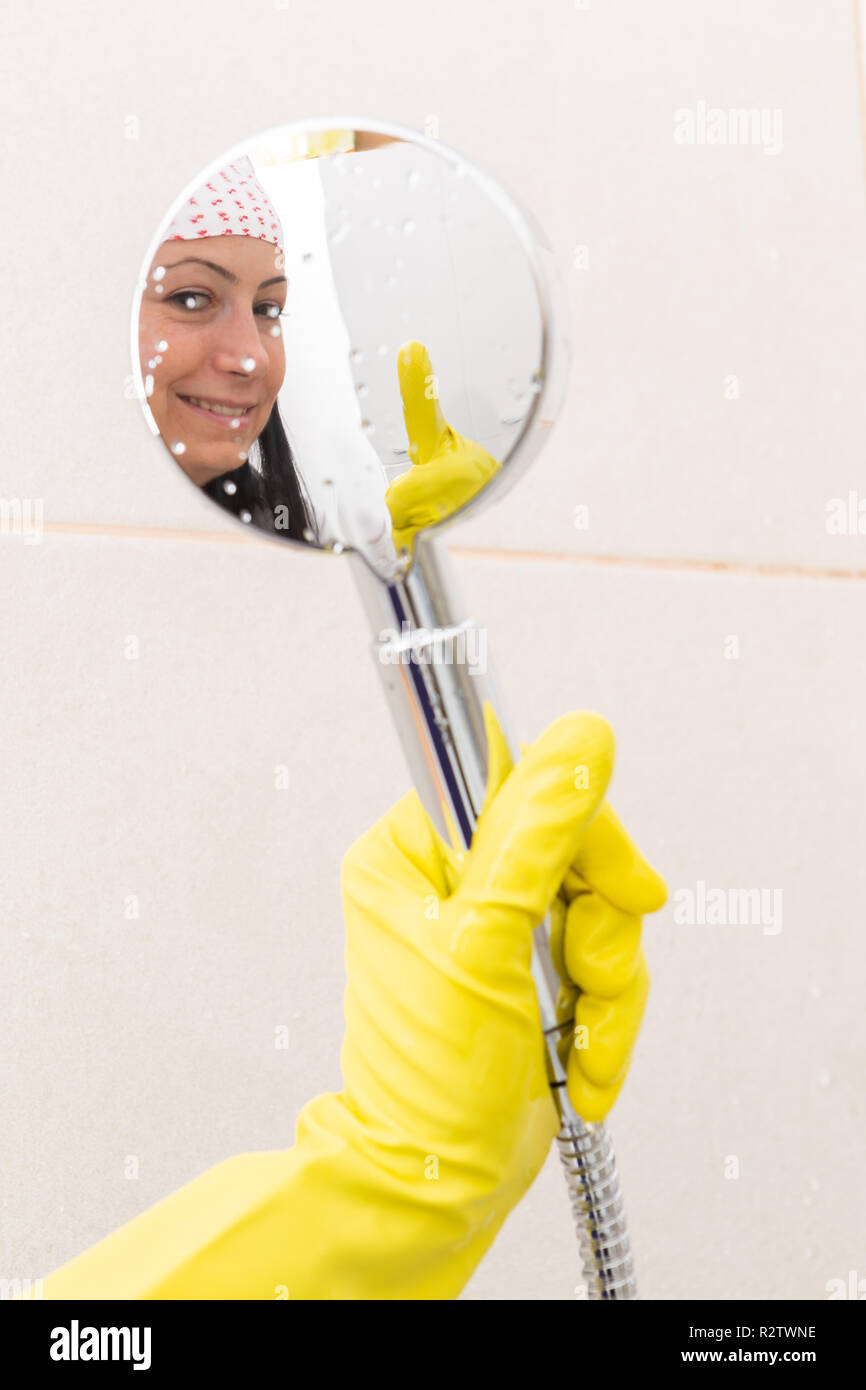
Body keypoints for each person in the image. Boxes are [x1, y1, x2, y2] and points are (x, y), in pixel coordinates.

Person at [36, 152, 667, 1300]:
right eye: (191, 297)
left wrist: (398, 1184)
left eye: (270, 309)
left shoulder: (324, 492)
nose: (242, 352)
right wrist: (396, 1180)